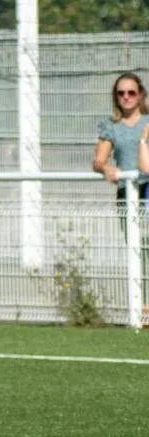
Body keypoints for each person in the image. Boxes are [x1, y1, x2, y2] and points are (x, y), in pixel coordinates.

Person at [95, 73, 149, 315]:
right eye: (121, 93)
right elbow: (98, 160)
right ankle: (142, 306)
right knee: (137, 248)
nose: (126, 97)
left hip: (148, 189)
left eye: (131, 92)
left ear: (140, 95)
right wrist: (106, 168)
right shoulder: (111, 126)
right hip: (127, 194)